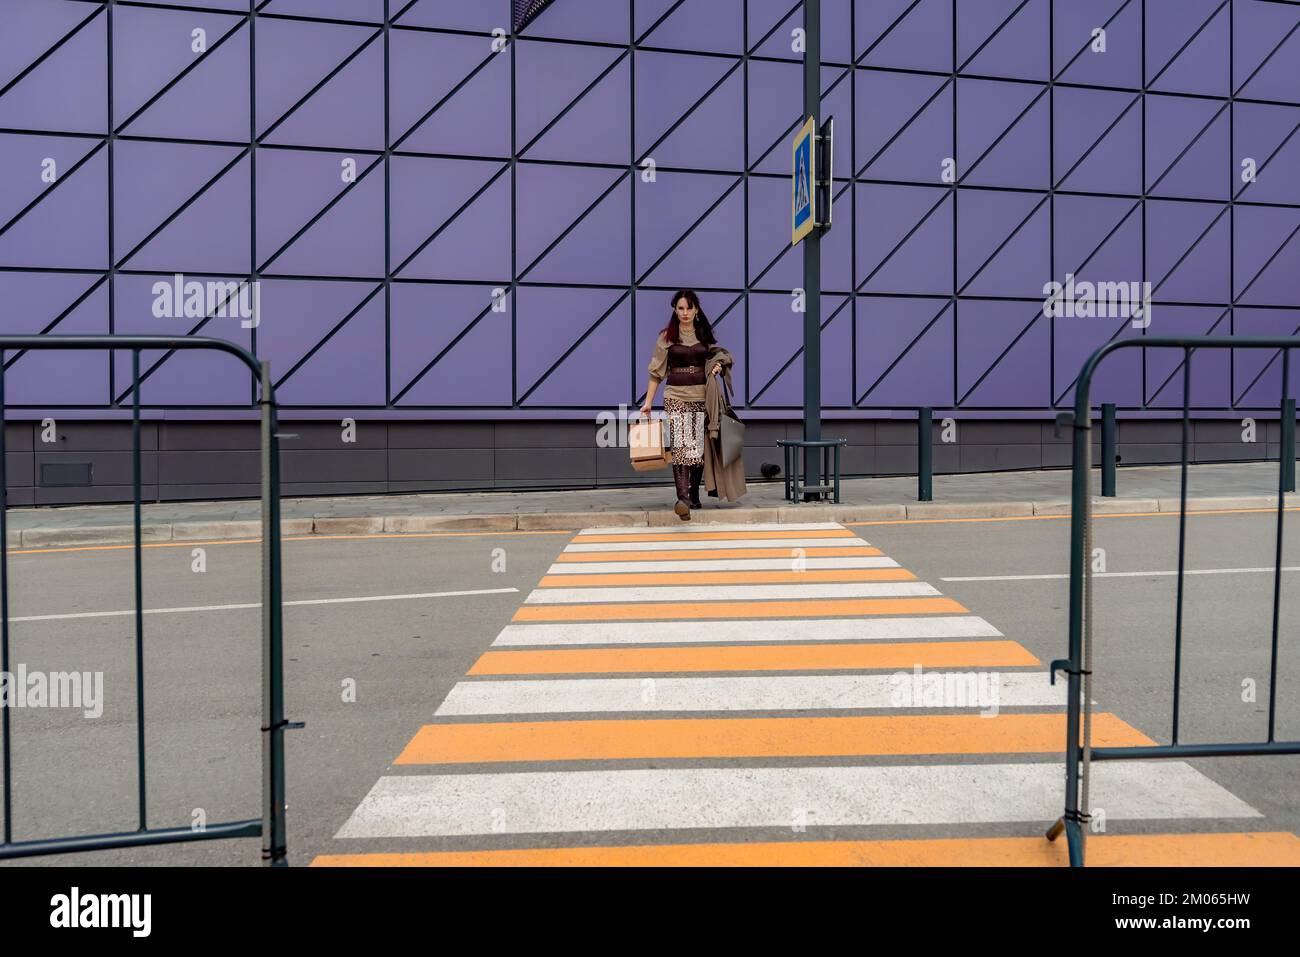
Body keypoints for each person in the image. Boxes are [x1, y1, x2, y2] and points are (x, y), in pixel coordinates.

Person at [639, 290, 734, 520]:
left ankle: (692, 493)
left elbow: (714, 357)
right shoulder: (666, 337)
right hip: (676, 396)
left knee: (698, 449)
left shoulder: (704, 334)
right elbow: (656, 373)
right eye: (680, 308)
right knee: (682, 446)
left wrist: (717, 366)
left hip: (702, 396)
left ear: (696, 310)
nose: (685, 312)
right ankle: (682, 499)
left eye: (689, 308)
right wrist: (648, 402)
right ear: (674, 309)